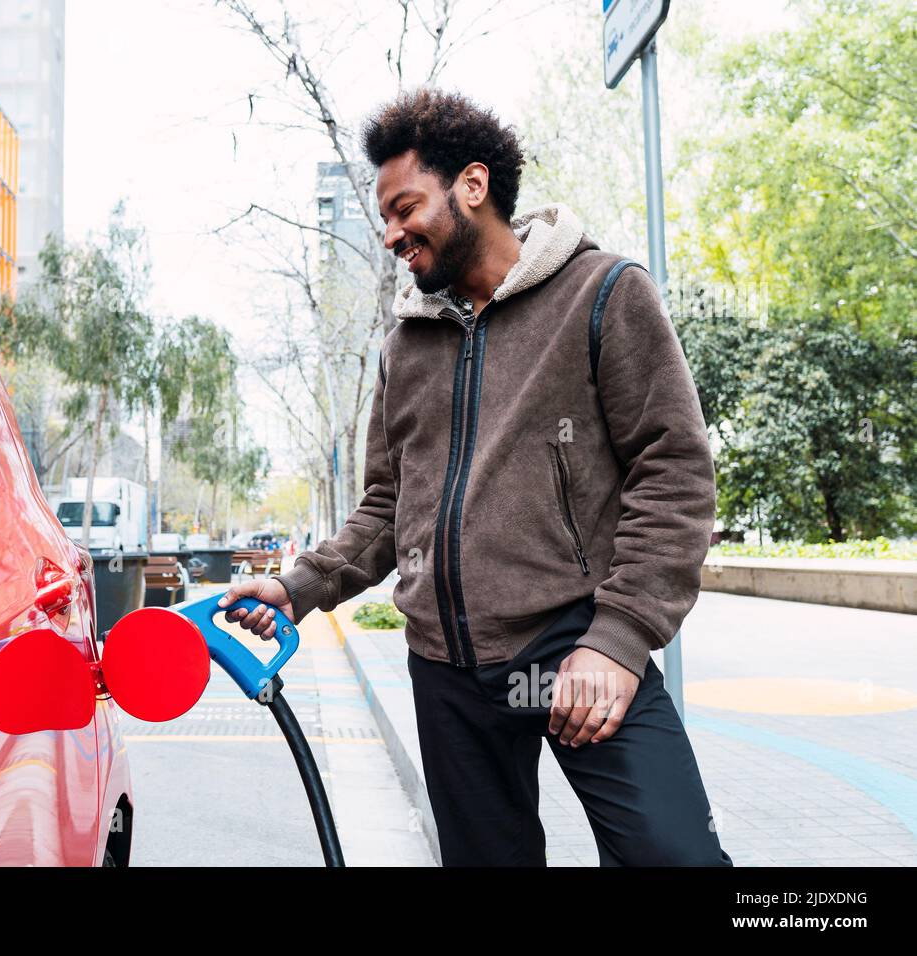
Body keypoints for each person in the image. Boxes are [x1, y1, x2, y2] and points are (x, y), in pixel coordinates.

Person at [219, 88, 732, 867]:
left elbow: (674, 470)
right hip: (448, 672)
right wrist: (300, 587)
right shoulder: (405, 346)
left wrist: (620, 640)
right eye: (383, 217)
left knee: (674, 856)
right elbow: (390, 505)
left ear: (472, 185)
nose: (391, 234)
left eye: (404, 208)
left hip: (572, 648)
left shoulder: (601, 295)